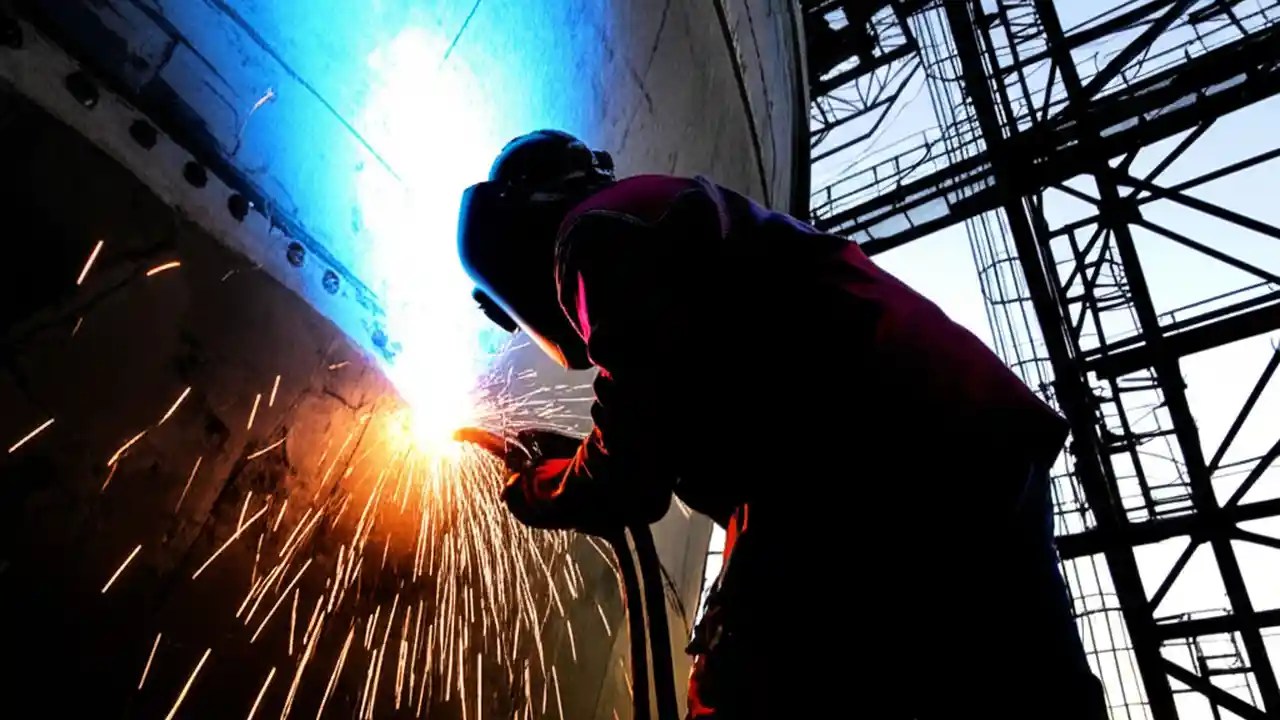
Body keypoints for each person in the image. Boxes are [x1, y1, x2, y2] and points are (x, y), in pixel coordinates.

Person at [455, 129, 1108, 719]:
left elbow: (630, 479)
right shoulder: (675, 213)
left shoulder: (592, 236)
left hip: (854, 466)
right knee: (1027, 694)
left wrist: (534, 487)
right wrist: (580, 459)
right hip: (978, 451)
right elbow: (653, 414)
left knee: (739, 683)